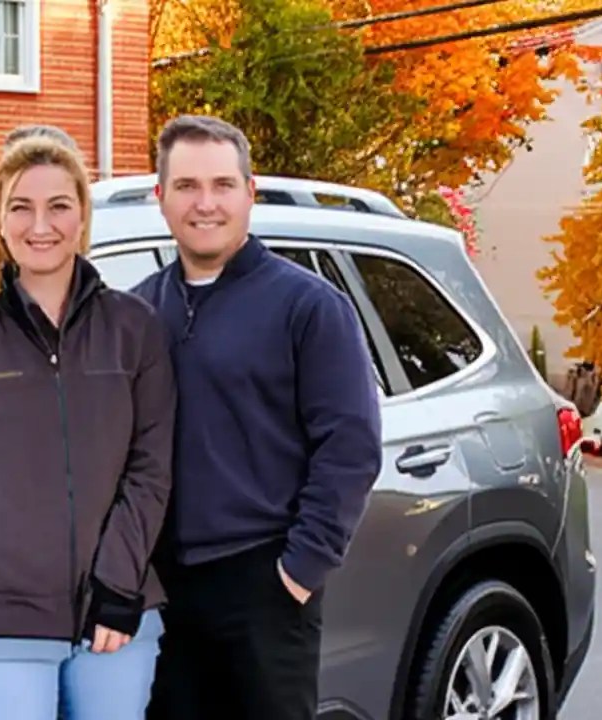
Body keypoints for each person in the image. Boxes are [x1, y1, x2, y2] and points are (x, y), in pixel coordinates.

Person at [0, 133, 177, 720]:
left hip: (115, 614)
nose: (41, 225)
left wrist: (117, 586)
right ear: (0, 222)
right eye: (22, 207)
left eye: (58, 205)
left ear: (82, 215)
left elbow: (151, 468)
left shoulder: (134, 327)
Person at [132, 115, 383, 719]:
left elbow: (351, 449)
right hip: (166, 592)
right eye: (187, 186)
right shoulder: (139, 309)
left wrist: (296, 573)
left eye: (223, 184)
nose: (206, 203)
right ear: (160, 197)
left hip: (265, 584)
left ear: (250, 192)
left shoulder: (309, 307)